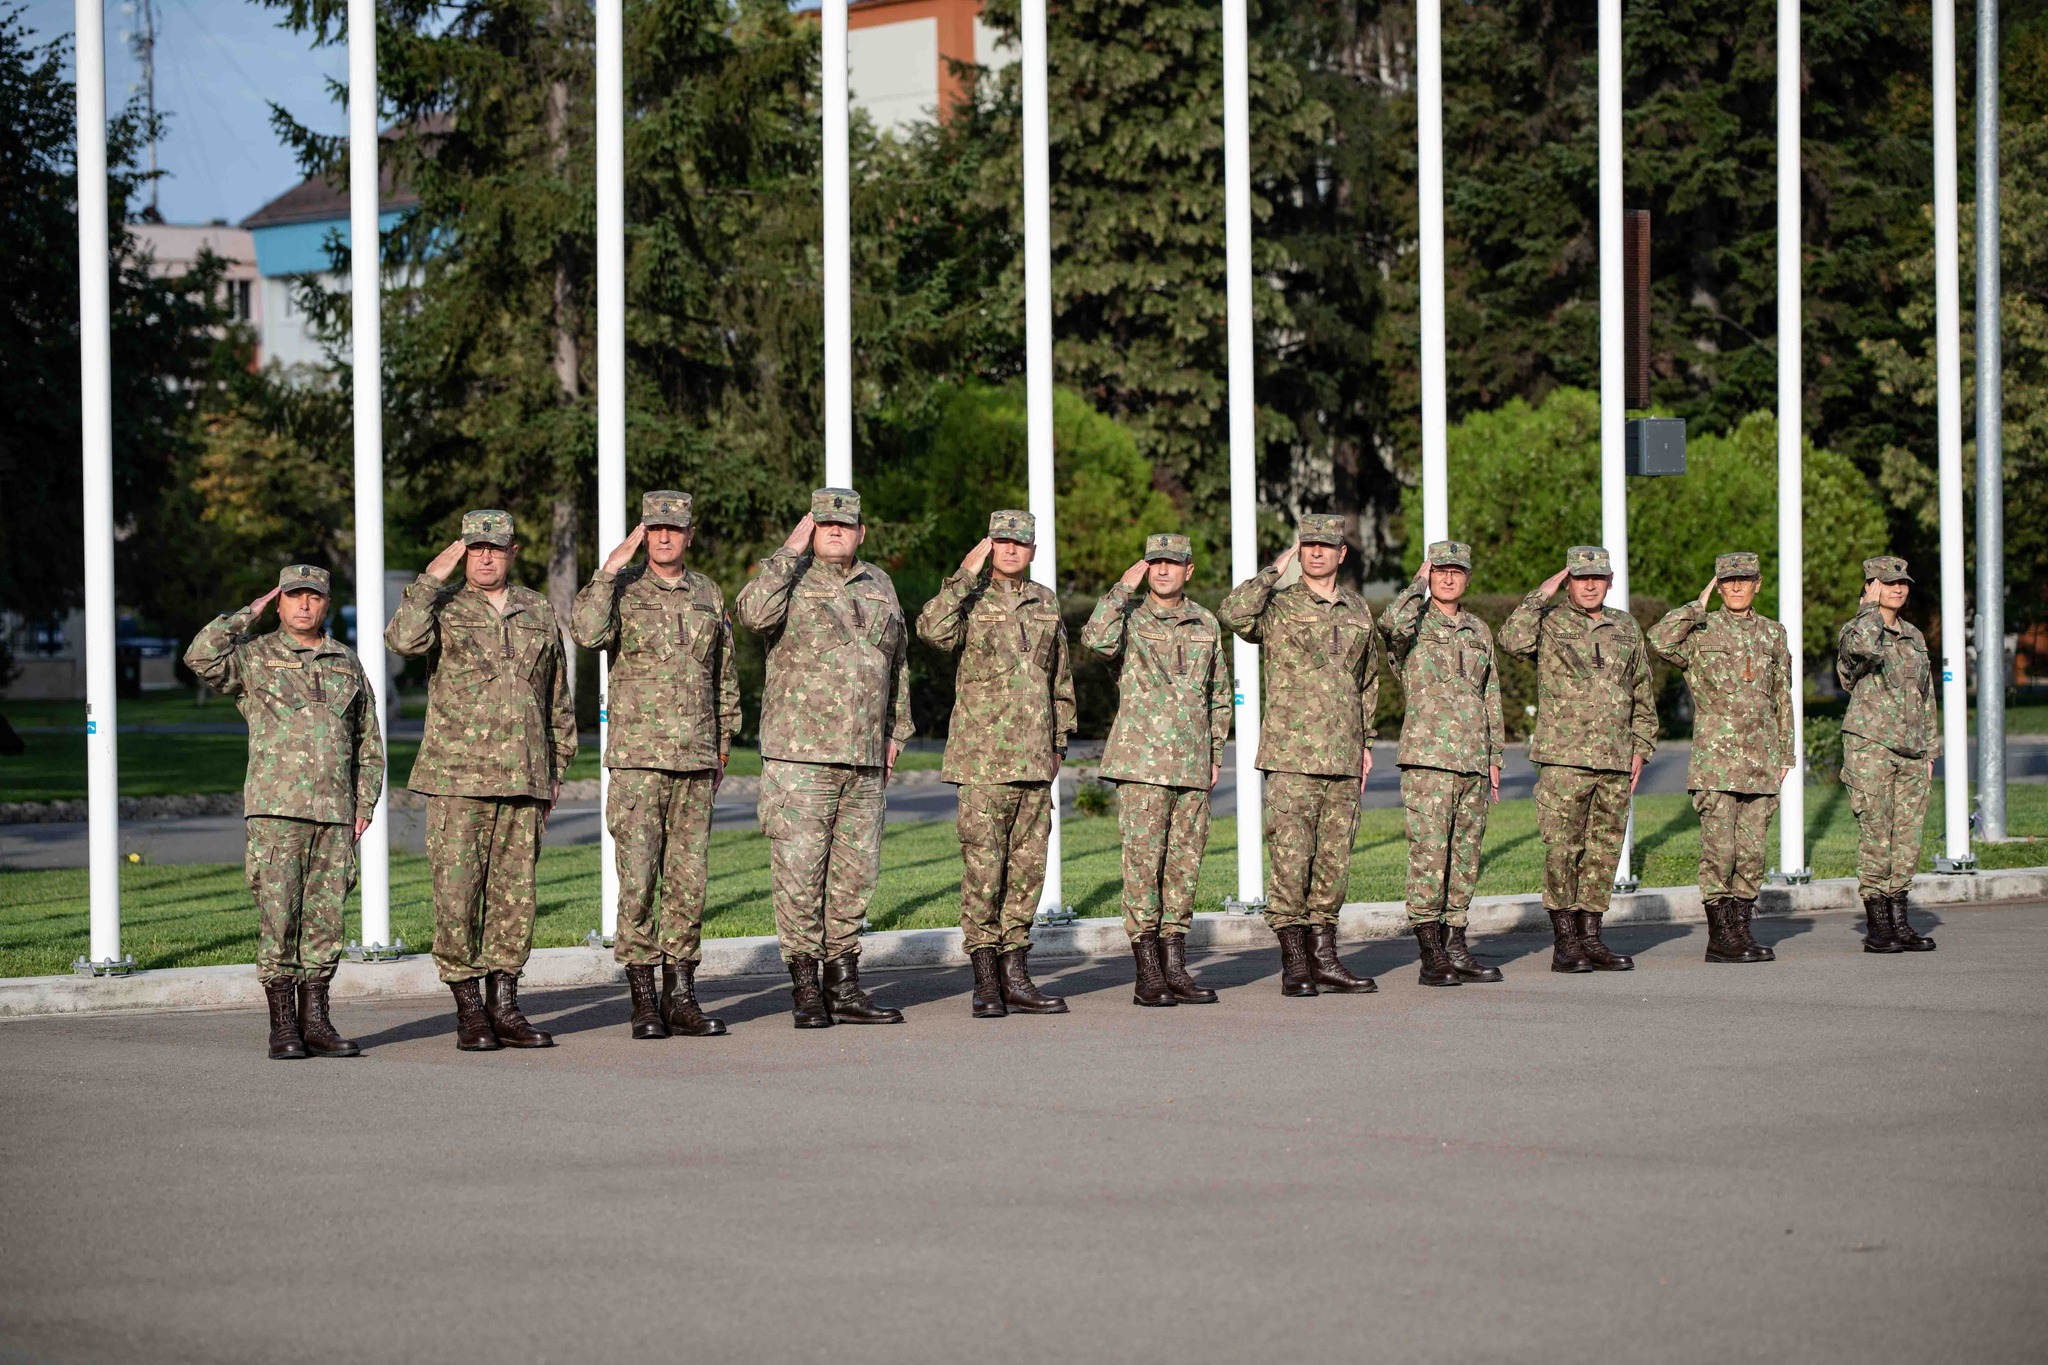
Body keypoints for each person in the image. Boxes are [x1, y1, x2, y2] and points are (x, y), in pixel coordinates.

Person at [386, 510, 575, 1050]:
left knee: (515, 900)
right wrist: (430, 578)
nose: (486, 556)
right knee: (457, 895)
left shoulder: (536, 609)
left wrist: (557, 766)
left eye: (495, 548)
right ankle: (469, 1010)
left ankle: (506, 1006)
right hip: (458, 778)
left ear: (513, 551)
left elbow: (556, 695)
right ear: (463, 553)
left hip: (524, 776)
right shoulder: (442, 608)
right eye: (475, 549)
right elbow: (401, 641)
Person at [184, 565, 384, 1060]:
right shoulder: (254, 658)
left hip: (335, 814)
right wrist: (246, 613)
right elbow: (200, 656)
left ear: (326, 604)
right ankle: (282, 1028)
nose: (303, 605)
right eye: (293, 596)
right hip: (276, 811)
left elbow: (368, 741)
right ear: (280, 602)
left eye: (313, 597)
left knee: (325, 920)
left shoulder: (347, 663)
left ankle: (316, 1022)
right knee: (279, 918)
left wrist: (364, 803)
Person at [735, 488, 914, 1027]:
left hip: (863, 759)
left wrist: (895, 732)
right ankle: (806, 988)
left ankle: (845, 986)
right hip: (800, 757)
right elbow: (751, 615)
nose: (836, 532)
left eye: (845, 524)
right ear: (811, 530)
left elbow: (897, 662)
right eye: (824, 524)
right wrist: (789, 551)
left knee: (854, 878)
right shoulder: (789, 580)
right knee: (799, 875)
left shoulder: (879, 584)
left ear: (861, 532)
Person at [571, 492, 741, 1039]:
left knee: (688, 885)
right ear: (643, 534)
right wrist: (610, 568)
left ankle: (682, 996)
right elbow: (587, 633)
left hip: (694, 759)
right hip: (639, 762)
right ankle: (643, 999)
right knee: (639, 880)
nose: (665, 538)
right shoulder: (620, 591)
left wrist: (721, 748)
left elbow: (724, 678)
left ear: (690, 535)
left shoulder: (708, 593)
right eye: (654, 529)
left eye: (675, 529)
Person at [916, 511, 1077, 1018]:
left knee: (1027, 873)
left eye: (1019, 543)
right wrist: (965, 572)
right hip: (982, 761)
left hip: (1034, 761)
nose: (1010, 550)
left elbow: (1061, 681)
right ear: (990, 545)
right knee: (985, 873)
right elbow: (932, 631)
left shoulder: (1046, 603)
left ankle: (1017, 975)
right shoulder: (969, 598)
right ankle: (985, 980)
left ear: (1032, 549)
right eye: (1001, 541)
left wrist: (1058, 746)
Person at [1219, 513, 1381, 997]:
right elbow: (1232, 612)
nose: (1316, 553)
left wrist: (1366, 742)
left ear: (1341, 553)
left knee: (1333, 864)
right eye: (1307, 545)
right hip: (1291, 756)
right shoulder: (1278, 606)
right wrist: (1274, 568)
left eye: (1325, 546)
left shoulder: (1357, 610)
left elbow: (1367, 681)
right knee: (1291, 863)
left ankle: (1325, 959)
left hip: (1344, 755)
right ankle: (1294, 963)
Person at [1082, 533, 1232, 1006]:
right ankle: (1147, 972)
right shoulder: (1128, 618)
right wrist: (1121, 588)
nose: (1163, 570)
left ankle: (1175, 966)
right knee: (1144, 869)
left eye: (1173, 563)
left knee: (1183, 870)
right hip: (1142, 763)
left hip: (1191, 765)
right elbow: (1094, 640)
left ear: (1190, 570)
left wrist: (1214, 755)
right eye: (1155, 562)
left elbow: (1219, 694)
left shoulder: (1205, 622)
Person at [1499, 546, 1657, 973]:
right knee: (1563, 849)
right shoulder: (1549, 624)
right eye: (1580, 577)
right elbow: (1511, 639)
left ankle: (1592, 936)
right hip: (1563, 758)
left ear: (1610, 581)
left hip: (1615, 758)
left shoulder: (1626, 627)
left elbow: (1641, 689)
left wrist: (1641, 746)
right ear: (1568, 581)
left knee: (1604, 851)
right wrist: (1542, 591)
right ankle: (1565, 941)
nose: (1590, 585)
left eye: (1598, 577)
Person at [1647, 553, 1794, 964]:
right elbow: (1659, 639)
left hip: (1762, 761)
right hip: (1716, 762)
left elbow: (1783, 696)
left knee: (1752, 854)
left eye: (1743, 580)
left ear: (1758, 584)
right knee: (1720, 852)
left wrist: (1787, 753)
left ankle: (1742, 931)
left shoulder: (1772, 634)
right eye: (1727, 580)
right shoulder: (1701, 630)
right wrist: (1696, 606)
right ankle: (1720, 938)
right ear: (1718, 584)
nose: (1734, 587)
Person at [1377, 541, 1506, 987]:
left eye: (1457, 572)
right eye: (1439, 571)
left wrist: (1495, 756)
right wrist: (1415, 584)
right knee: (1430, 857)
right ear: (1429, 575)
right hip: (1428, 759)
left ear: (1468, 578)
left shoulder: (1478, 630)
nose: (1448, 578)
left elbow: (1490, 693)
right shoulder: (1412, 626)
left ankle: (1456, 944)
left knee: (1465, 858)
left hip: (1472, 760)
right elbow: (1389, 623)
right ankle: (1431, 953)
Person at [1837, 556, 1941, 953]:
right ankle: (1878, 926)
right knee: (1877, 836)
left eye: (1902, 583)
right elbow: (1862, 651)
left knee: (1907, 839)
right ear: (1870, 586)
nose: (1898, 589)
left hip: (1912, 751)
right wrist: (1868, 609)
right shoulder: (1858, 629)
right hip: (1871, 746)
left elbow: (1925, 695)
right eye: (1887, 582)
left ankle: (1900, 921)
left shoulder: (1914, 635)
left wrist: (1930, 749)